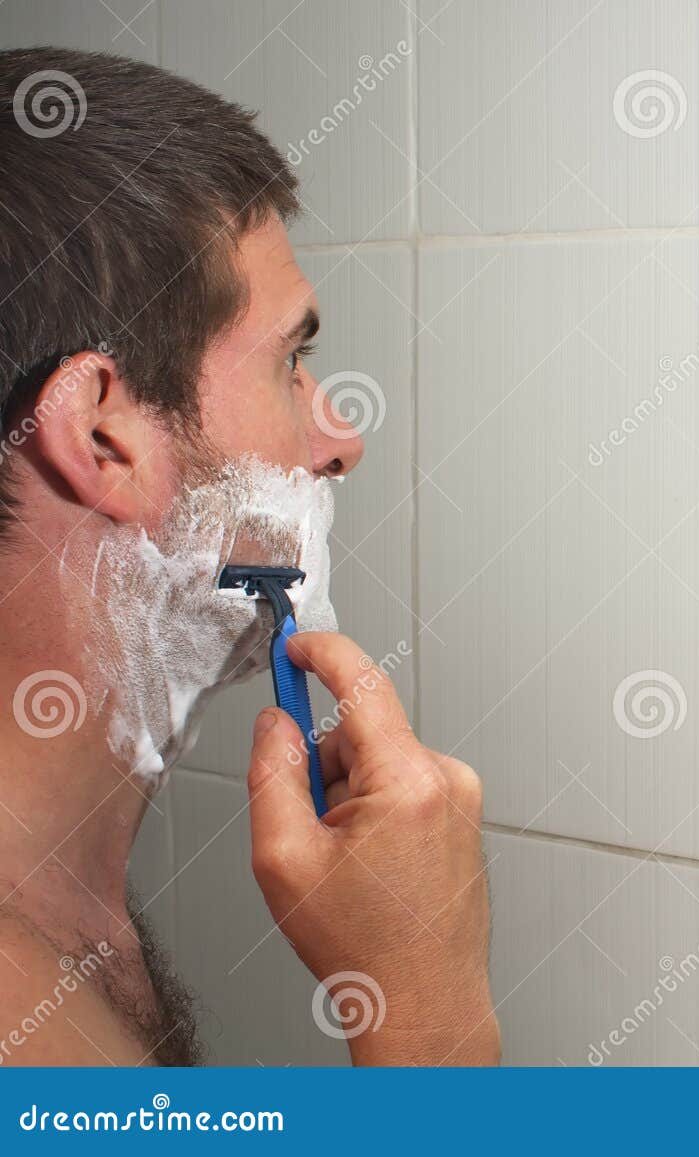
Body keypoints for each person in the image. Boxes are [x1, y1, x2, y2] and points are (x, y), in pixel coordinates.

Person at [0, 48, 497, 1065]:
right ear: (104, 437)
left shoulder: (54, 908)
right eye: (290, 359)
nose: (339, 437)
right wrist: (428, 1014)